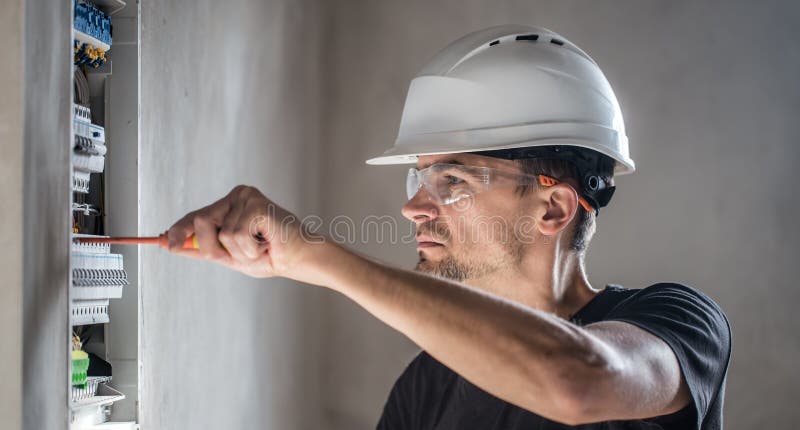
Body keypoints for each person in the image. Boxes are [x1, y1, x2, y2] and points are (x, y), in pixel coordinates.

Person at [166, 25, 731, 429]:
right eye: (418, 181)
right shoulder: (429, 385)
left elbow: (575, 380)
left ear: (554, 208)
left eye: (453, 181)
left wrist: (315, 258)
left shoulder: (678, 322)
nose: (415, 209)